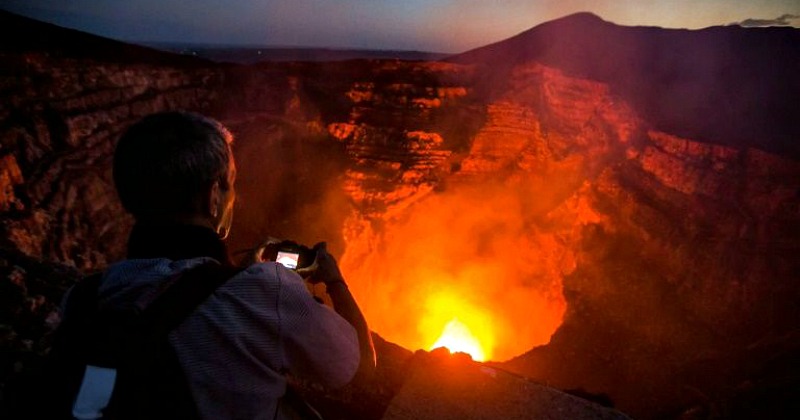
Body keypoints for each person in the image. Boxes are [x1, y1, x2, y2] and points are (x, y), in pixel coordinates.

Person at [68, 111, 375, 419]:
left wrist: (231, 274)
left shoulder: (85, 299)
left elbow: (93, 402)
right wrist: (334, 280)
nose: (234, 199)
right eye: (231, 183)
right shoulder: (266, 292)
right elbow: (359, 369)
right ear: (213, 196)